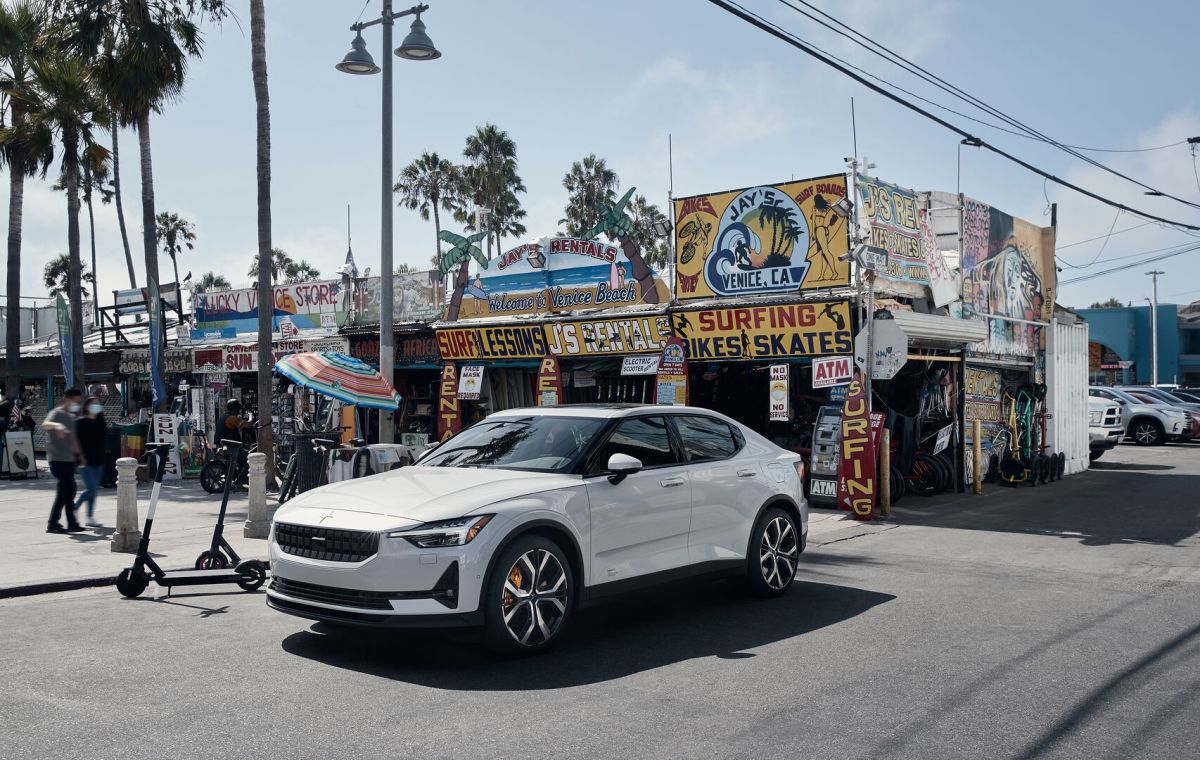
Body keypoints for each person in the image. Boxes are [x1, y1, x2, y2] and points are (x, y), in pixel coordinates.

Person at [42, 388, 85, 533]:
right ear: (68, 400)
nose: (77, 405)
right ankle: (53, 523)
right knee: (64, 490)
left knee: (69, 490)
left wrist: (80, 455)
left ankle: (70, 523)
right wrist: (57, 425)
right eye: (76, 401)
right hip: (57, 460)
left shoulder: (72, 417)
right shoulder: (56, 413)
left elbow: (73, 439)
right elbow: (45, 424)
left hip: (68, 459)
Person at [73, 396, 107, 526]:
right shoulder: (80, 421)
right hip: (84, 460)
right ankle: (75, 507)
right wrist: (80, 455)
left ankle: (90, 517)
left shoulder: (100, 421)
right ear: (87, 406)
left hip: (98, 459)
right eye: (93, 403)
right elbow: (75, 440)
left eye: (98, 403)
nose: (96, 406)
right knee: (91, 487)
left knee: (94, 489)